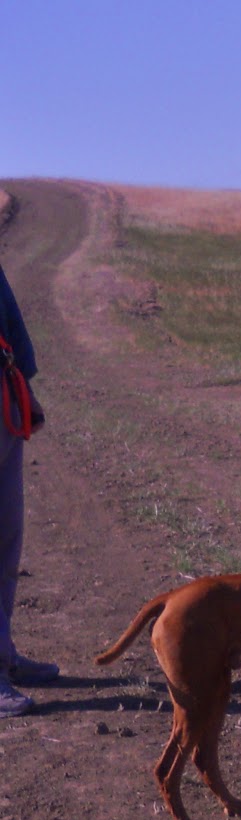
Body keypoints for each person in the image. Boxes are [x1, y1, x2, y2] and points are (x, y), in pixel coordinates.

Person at [0, 261, 55, 716]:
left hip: (3, 403)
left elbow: (9, 321)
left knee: (7, 538)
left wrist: (26, 387)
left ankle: (4, 656)